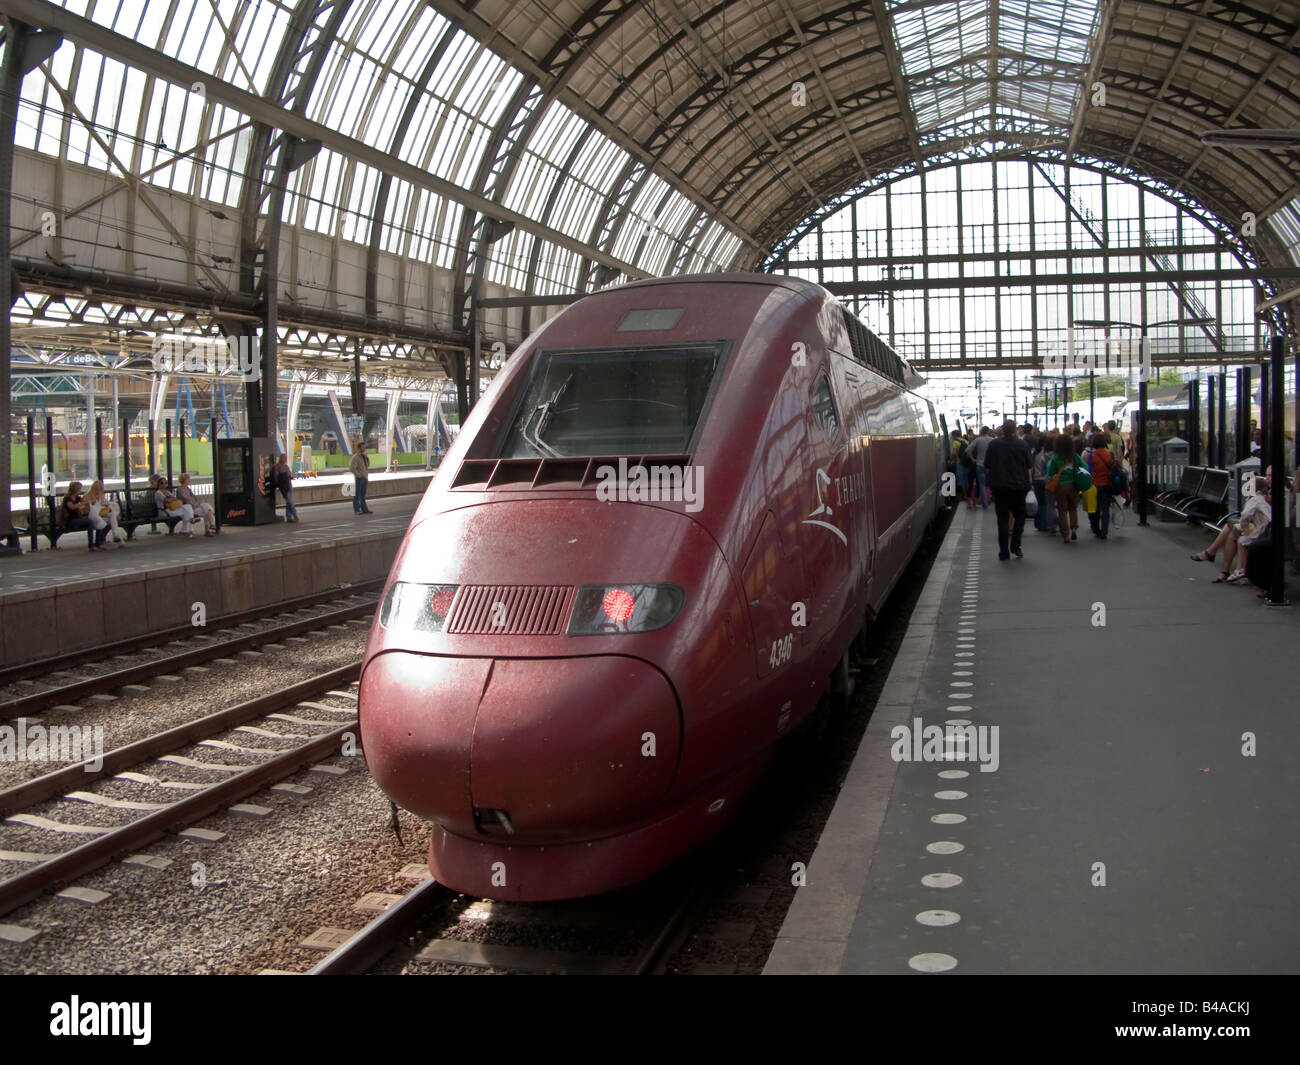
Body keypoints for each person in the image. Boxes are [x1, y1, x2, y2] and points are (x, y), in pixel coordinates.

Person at [1193, 476, 1271, 583]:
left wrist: (1244, 526)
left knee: (1237, 534)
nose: (1268, 478)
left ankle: (1226, 564)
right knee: (1232, 528)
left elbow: (1246, 515)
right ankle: (1222, 565)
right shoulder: (1264, 495)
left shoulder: (1256, 499)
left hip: (1260, 528)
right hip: (1261, 526)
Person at [986, 420, 1033, 560]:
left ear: (1002, 430)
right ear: (1014, 430)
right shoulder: (1023, 445)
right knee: (1020, 516)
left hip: (999, 487)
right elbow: (1029, 464)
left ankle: (1003, 552)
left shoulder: (994, 444)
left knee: (1002, 519)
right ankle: (1016, 545)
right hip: (1019, 486)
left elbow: (987, 464)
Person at [1046, 434, 1081, 544]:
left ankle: (1065, 535)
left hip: (1060, 486)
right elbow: (1084, 467)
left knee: (1062, 510)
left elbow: (1050, 472)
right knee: (1073, 508)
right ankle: (1074, 528)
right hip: (1073, 485)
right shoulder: (1075, 456)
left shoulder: (1056, 458)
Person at [1086, 432, 1119, 540]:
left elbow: (1086, 471)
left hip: (1094, 486)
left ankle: (1096, 529)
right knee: (1105, 509)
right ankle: (1104, 531)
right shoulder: (1109, 455)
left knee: (1094, 509)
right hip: (1106, 485)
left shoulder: (1090, 456)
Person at [60, 480, 107, 551]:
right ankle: (91, 546)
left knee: (97, 520)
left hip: (79, 518)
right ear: (75, 490)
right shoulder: (68, 498)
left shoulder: (77, 498)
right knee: (90, 522)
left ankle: (98, 544)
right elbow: (72, 507)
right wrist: (81, 504)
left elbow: (84, 501)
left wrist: (90, 502)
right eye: (79, 489)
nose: (80, 491)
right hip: (71, 520)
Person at [84, 479, 126, 546]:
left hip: (101, 516)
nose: (98, 491)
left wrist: (105, 505)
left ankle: (116, 536)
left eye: (100, 489)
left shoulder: (101, 496)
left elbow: (104, 506)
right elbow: (87, 509)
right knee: (112, 520)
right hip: (94, 517)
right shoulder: (87, 496)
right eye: (96, 489)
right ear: (93, 488)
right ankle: (117, 538)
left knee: (112, 516)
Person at [1031, 432, 1058, 535]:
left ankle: (1038, 524)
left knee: (1039, 503)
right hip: (1047, 479)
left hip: (1036, 479)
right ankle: (1046, 524)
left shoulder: (1035, 452)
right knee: (1048, 503)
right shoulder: (1050, 455)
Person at [966, 426, 994, 508]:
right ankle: (990, 499)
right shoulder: (993, 440)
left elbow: (968, 450)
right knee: (990, 484)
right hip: (990, 466)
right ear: (988, 431)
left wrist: (972, 459)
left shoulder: (978, 440)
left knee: (981, 484)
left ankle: (985, 503)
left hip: (980, 465)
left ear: (981, 431)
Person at [350, 441, 373, 514]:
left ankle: (364, 509)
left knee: (363, 495)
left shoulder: (364, 456)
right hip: (359, 478)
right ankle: (357, 510)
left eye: (364, 447)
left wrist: (366, 457)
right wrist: (359, 475)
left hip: (365, 477)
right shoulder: (355, 457)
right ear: (359, 448)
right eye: (363, 447)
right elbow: (352, 468)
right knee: (357, 495)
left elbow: (367, 465)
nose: (364, 448)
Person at [274, 455, 298, 523]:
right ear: (280, 458)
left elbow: (289, 474)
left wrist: (290, 477)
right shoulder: (277, 467)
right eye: (284, 458)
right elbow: (276, 477)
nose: (285, 460)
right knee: (289, 501)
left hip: (289, 485)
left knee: (288, 502)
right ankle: (295, 514)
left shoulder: (286, 466)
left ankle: (289, 517)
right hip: (284, 487)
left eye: (285, 458)